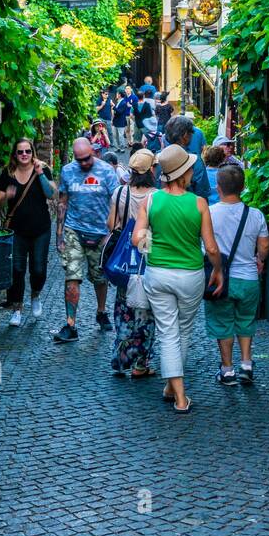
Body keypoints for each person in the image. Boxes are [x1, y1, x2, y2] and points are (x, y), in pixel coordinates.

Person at [133, 143, 221, 414]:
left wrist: (152, 249)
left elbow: (138, 238)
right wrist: (217, 270)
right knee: (181, 332)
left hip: (158, 275)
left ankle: (172, 388)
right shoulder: (199, 203)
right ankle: (181, 398)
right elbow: (212, 247)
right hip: (191, 275)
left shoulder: (151, 200)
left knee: (168, 333)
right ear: (184, 173)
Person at [206, 164, 269, 386]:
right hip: (249, 278)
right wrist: (259, 261)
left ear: (218, 187)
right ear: (243, 187)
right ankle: (246, 364)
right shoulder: (256, 215)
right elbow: (263, 248)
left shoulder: (209, 213)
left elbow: (205, 248)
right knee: (245, 321)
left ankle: (227, 370)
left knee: (222, 322)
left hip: (219, 280)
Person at [55, 136, 119, 343]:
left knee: (99, 278)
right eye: (79, 159)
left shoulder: (107, 172)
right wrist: (59, 235)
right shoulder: (67, 171)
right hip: (74, 230)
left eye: (87, 159)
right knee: (72, 276)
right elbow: (62, 202)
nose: (83, 163)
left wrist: (111, 233)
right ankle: (70, 324)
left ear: (94, 152)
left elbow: (116, 202)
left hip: (100, 232)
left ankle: (101, 311)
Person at [108, 149, 157, 379]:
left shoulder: (119, 193)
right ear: (152, 170)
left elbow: (111, 226)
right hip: (150, 258)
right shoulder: (157, 196)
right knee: (147, 311)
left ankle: (121, 357)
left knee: (124, 308)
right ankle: (140, 363)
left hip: (125, 262)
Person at [0, 138, 56, 327]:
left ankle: (36, 295)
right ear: (15, 154)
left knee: (38, 269)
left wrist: (40, 174)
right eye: (20, 152)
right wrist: (7, 196)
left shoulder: (42, 168)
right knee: (17, 270)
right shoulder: (8, 173)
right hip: (17, 231)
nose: (24, 155)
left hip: (40, 229)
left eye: (27, 151)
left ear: (33, 153)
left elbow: (51, 194)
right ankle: (17, 309)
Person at [162, 116, 211, 200]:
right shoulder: (195, 161)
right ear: (185, 136)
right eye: (191, 133)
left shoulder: (159, 159)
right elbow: (202, 194)